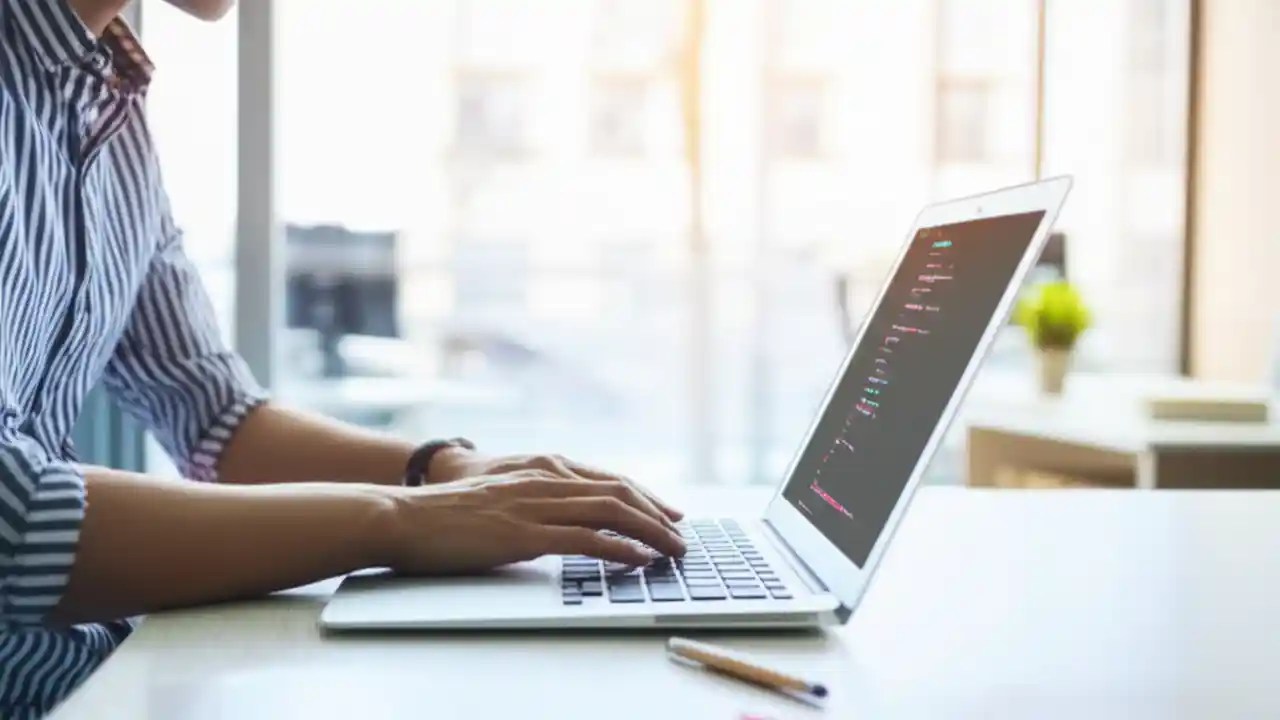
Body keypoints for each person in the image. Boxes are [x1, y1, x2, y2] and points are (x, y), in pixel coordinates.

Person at [0, 0, 687, 716]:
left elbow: (216, 419)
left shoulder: (108, 101)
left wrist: (448, 474)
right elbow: (13, 520)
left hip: (91, 676)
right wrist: (409, 520)